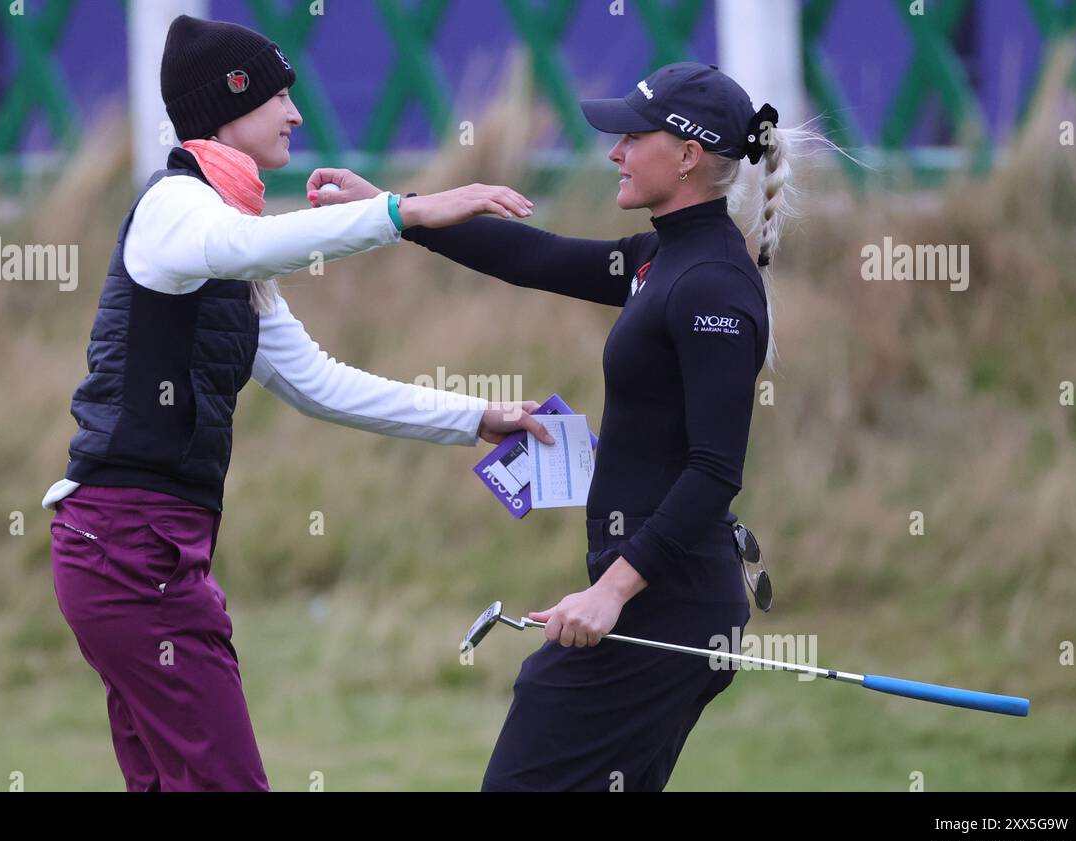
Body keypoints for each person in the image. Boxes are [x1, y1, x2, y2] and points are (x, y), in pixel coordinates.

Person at [42, 14, 552, 792]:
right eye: (280, 96)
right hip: (127, 552)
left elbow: (318, 381)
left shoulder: (227, 231)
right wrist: (406, 210)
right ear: (228, 108)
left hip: (143, 551)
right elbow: (250, 246)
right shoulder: (178, 209)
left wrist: (475, 418)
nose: (297, 114)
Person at [317, 61, 803, 790]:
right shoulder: (659, 257)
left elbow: (714, 470)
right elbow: (533, 255)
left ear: (688, 154)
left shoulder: (713, 287)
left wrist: (611, 591)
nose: (613, 152)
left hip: (667, 608)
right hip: (659, 599)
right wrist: (393, 212)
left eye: (631, 137)